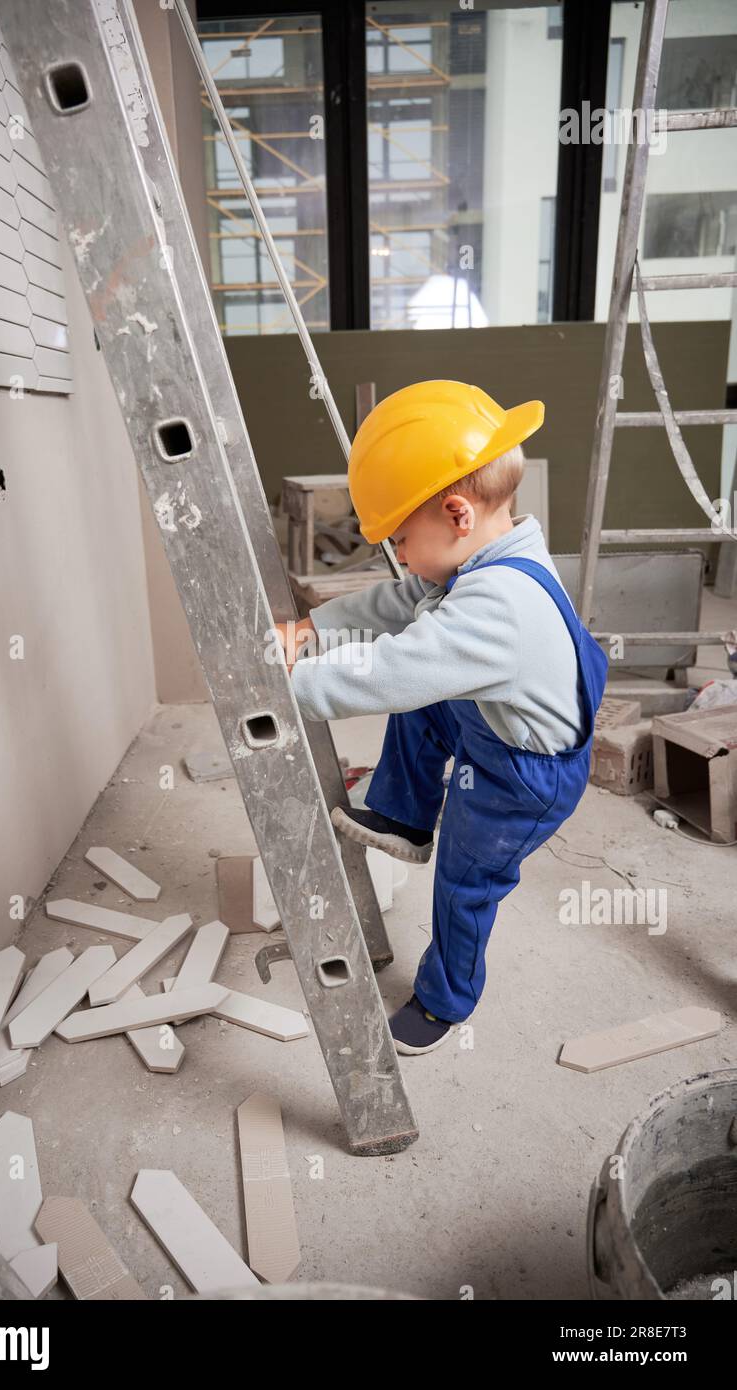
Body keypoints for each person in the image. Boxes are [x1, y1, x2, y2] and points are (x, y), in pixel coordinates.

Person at [278, 380, 608, 1055]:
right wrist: (313, 628)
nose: (399, 556)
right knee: (430, 699)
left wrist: (285, 689)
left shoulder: (497, 609)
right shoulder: (488, 551)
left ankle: (441, 1003)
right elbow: (400, 602)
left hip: (523, 777)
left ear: (457, 514)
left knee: (466, 881)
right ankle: (403, 811)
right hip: (500, 722)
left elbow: (390, 670)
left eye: (400, 539)